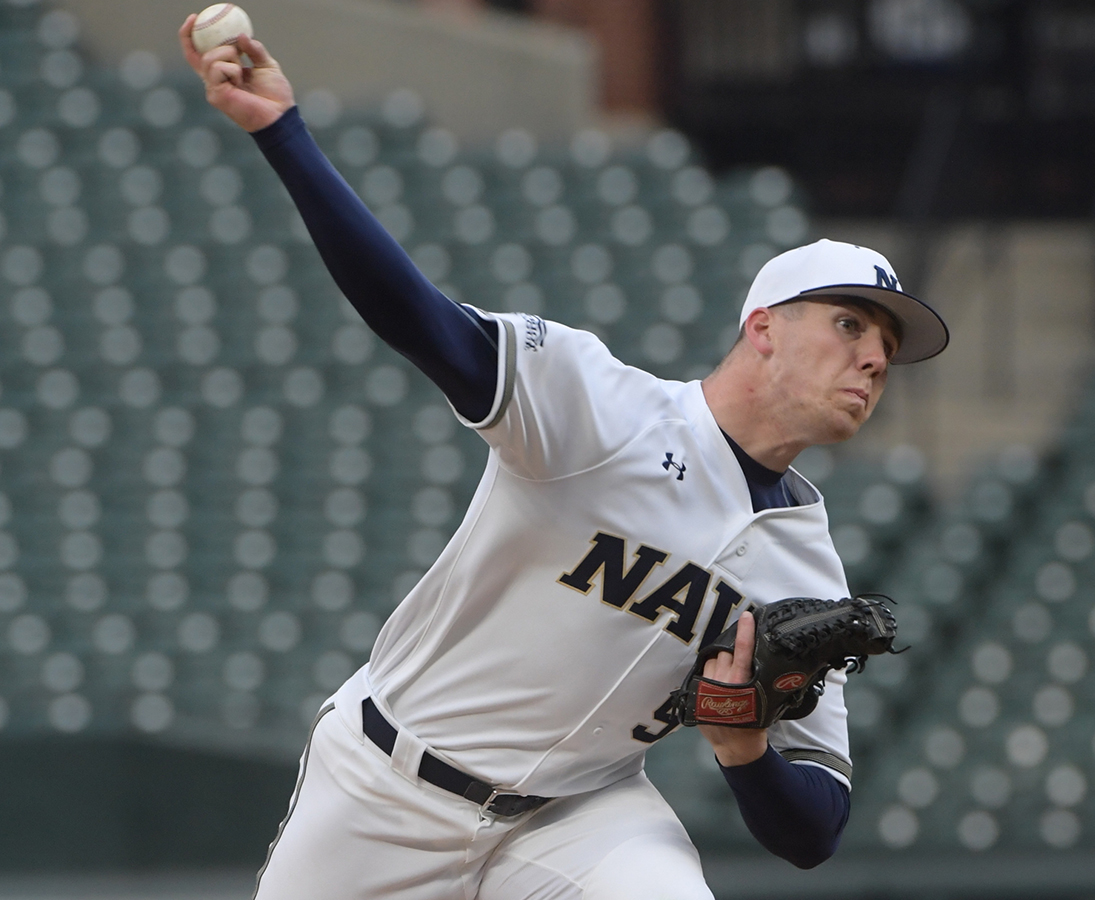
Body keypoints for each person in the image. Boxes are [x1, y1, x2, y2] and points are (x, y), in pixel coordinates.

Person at [179, 20, 948, 900]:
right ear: (763, 328)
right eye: (850, 325)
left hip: (580, 817)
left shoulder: (806, 569)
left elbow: (816, 830)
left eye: (889, 347)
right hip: (385, 788)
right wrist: (284, 135)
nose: (875, 358)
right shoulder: (601, 410)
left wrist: (745, 751)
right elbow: (416, 318)